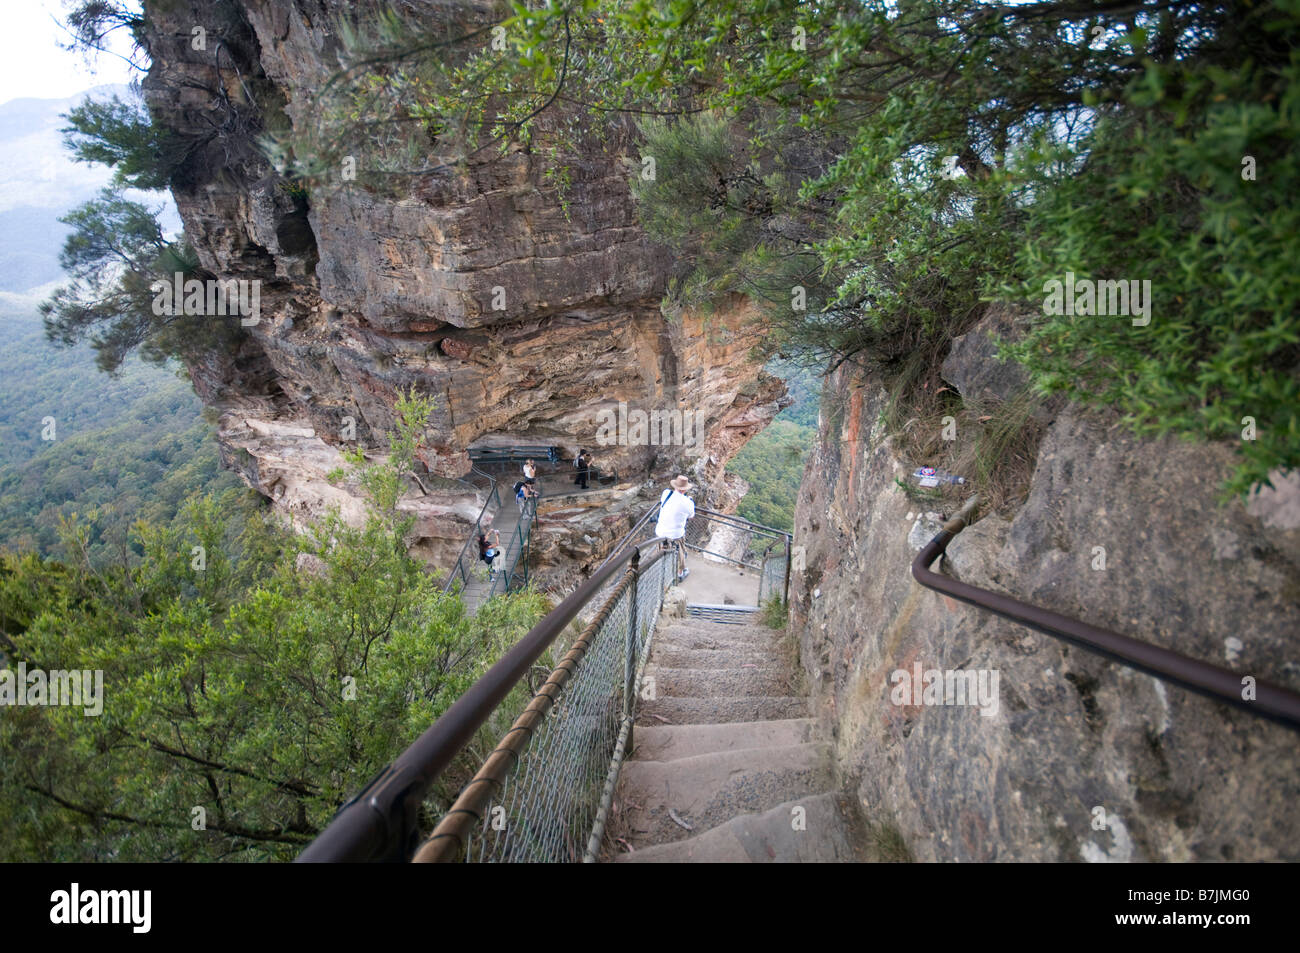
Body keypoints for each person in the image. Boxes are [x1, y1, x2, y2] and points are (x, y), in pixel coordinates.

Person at [654, 475, 695, 581]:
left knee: (662, 551)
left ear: (675, 486)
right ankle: (680, 573)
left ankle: (662, 570)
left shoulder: (666, 493)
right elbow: (691, 516)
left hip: (660, 532)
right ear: (685, 489)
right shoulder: (688, 503)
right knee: (679, 553)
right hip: (675, 536)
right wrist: (689, 500)